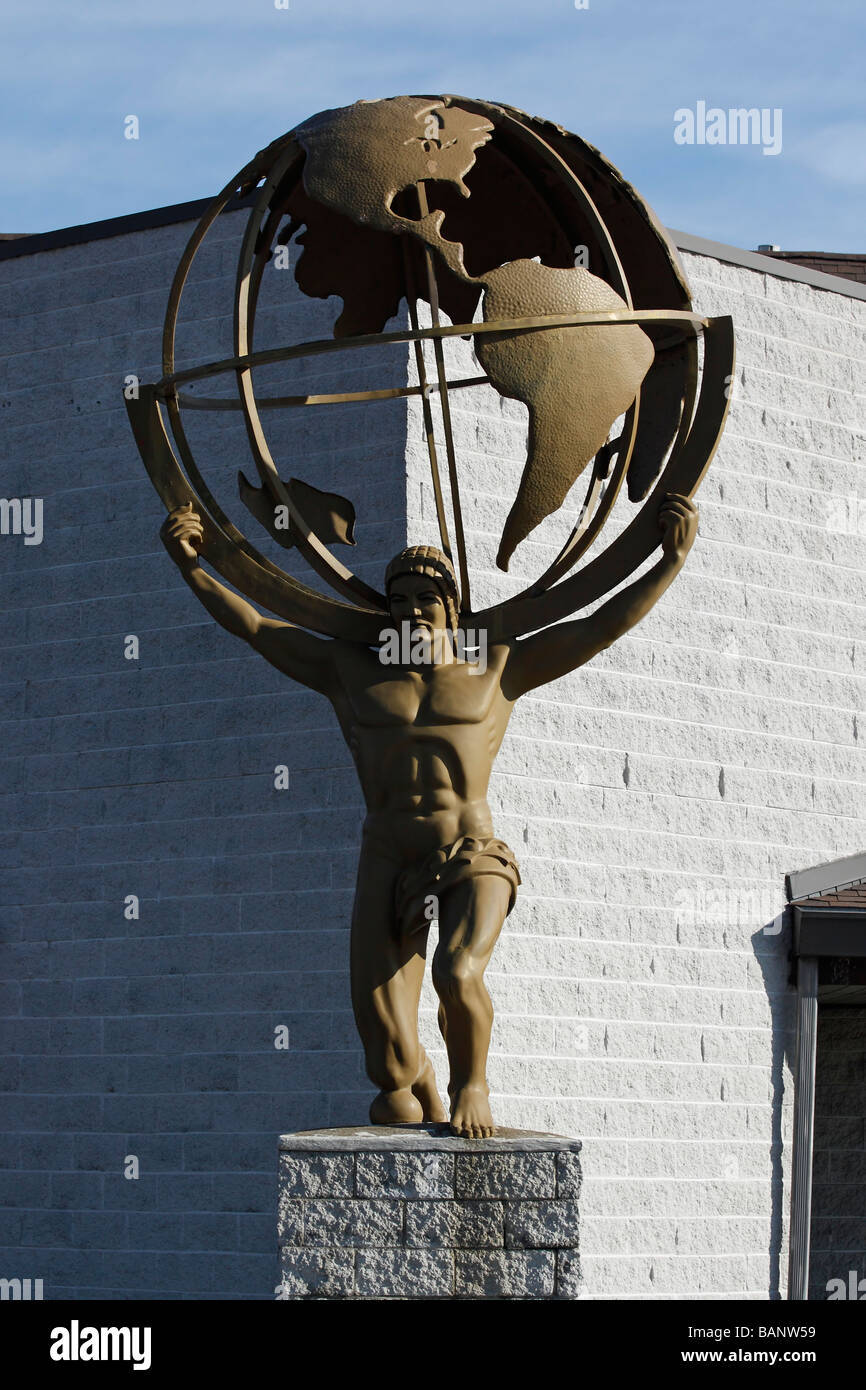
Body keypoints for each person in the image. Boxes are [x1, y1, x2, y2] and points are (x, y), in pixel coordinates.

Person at [160, 493, 698, 1137]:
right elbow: (258, 628)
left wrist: (667, 564)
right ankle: (417, 1081)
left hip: (471, 854)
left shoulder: (496, 666)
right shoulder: (350, 671)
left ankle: (471, 1082)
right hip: (389, 856)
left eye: (427, 600)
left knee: (457, 968)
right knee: (388, 1073)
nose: (413, 611)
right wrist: (192, 566)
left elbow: (593, 629)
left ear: (451, 608)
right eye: (401, 601)